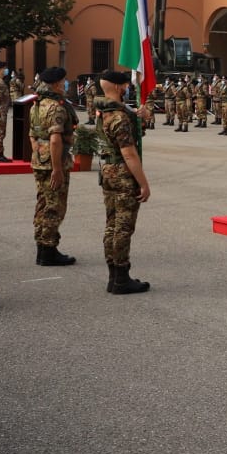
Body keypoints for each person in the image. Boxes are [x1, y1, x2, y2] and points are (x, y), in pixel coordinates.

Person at [94, 70, 154, 293]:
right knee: (123, 227)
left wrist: (140, 118)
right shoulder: (119, 117)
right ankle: (121, 277)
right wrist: (143, 183)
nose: (128, 87)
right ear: (120, 87)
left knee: (112, 224)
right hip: (122, 173)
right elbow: (129, 153)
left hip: (107, 171)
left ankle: (114, 276)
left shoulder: (103, 111)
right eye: (126, 85)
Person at [29, 66, 77, 266]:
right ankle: (48, 250)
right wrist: (56, 168)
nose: (65, 85)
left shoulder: (37, 105)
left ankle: (43, 248)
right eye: (63, 81)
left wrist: (40, 154)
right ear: (57, 84)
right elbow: (56, 139)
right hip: (54, 163)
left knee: (43, 204)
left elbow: (32, 134)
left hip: (40, 160)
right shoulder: (56, 107)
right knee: (54, 206)